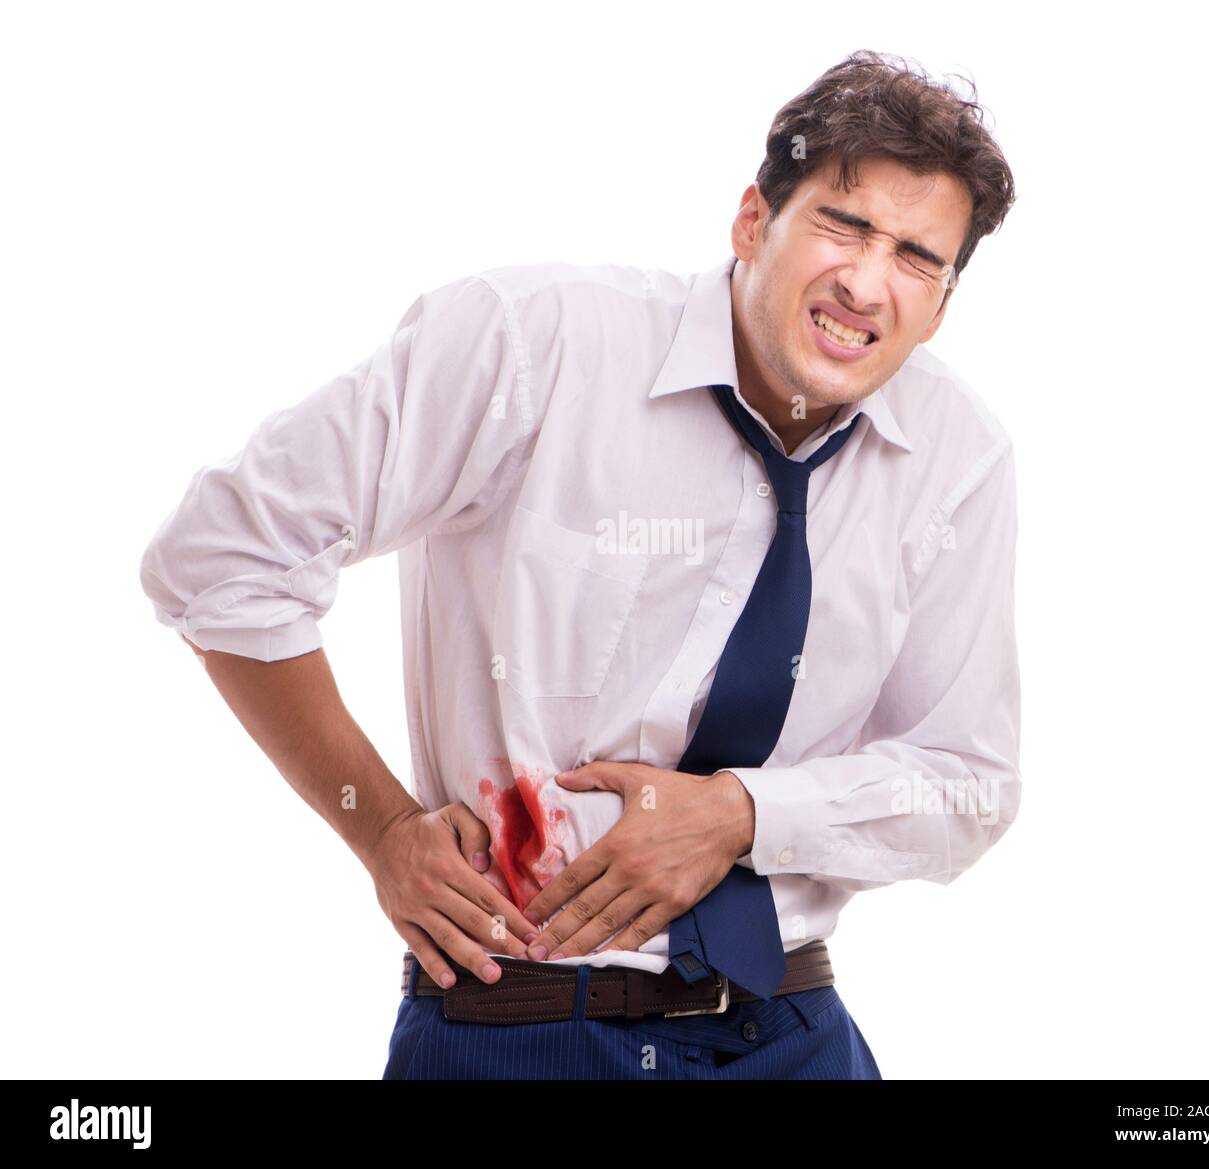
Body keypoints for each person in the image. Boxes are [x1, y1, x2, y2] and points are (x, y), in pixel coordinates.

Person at [138, 49, 1020, 1080]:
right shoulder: (531, 346)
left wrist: (738, 815)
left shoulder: (958, 457)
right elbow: (220, 555)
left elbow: (969, 779)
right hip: (522, 1023)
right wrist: (379, 831)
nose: (868, 281)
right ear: (752, 221)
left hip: (787, 1027)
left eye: (919, 256)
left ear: (945, 301)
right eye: (845, 223)